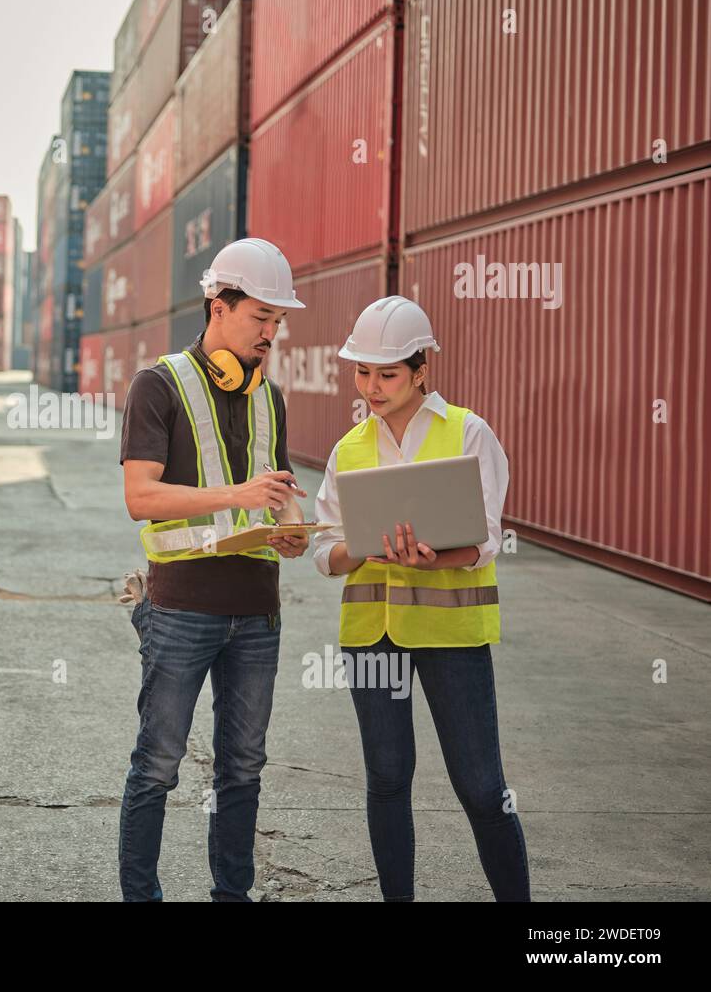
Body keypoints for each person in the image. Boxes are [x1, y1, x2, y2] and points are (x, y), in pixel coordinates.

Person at [311, 295, 530, 901]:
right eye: (363, 372)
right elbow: (324, 553)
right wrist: (359, 548)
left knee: (483, 787)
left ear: (421, 369)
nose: (372, 387)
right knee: (386, 778)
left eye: (387, 374)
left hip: (451, 637)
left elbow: (485, 539)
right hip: (372, 636)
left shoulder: (468, 432)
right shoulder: (349, 447)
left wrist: (435, 556)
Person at [118, 237, 310, 902]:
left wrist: (289, 535)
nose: (270, 333)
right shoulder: (158, 384)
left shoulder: (270, 397)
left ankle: (233, 896)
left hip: (258, 611)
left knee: (244, 768)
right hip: (180, 610)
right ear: (218, 304)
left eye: (278, 322)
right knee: (158, 766)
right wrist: (239, 495)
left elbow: (269, 500)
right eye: (261, 317)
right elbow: (140, 496)